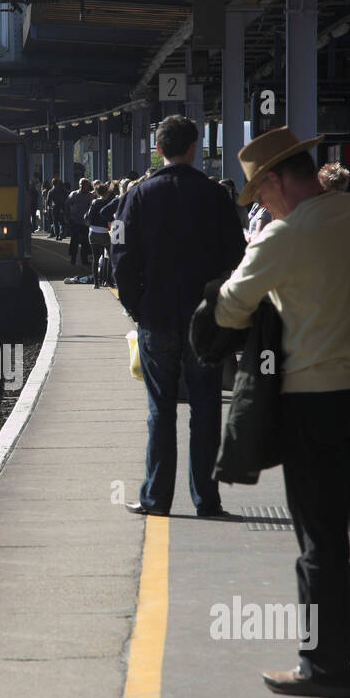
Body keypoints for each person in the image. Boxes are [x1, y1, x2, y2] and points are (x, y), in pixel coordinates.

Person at [215, 125, 350, 698]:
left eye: (261, 194)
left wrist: (256, 260)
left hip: (313, 406)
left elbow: (228, 310)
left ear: (275, 181)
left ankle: (325, 668)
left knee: (320, 545)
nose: (262, 205)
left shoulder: (284, 236)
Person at [113, 115, 244, 518]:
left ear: (159, 148)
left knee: (160, 410)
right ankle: (207, 499)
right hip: (205, 321)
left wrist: (138, 306)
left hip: (157, 318)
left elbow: (122, 258)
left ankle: (156, 499)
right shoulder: (216, 197)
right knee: (206, 409)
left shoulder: (138, 196)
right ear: (194, 147)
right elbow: (236, 258)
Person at [86, 182, 119, 288]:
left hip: (93, 232)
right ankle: (107, 280)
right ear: (107, 192)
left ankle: (96, 283)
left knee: (95, 259)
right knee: (109, 256)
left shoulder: (94, 202)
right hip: (105, 232)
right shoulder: (109, 202)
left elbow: (89, 217)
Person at [66, 178, 94, 267]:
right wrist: (68, 217)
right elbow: (66, 204)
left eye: (84, 184)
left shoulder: (90, 196)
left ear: (87, 186)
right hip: (75, 221)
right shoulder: (74, 194)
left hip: (85, 223)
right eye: (81, 184)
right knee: (74, 241)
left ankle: (84, 260)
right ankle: (73, 258)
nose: (82, 185)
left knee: (85, 242)